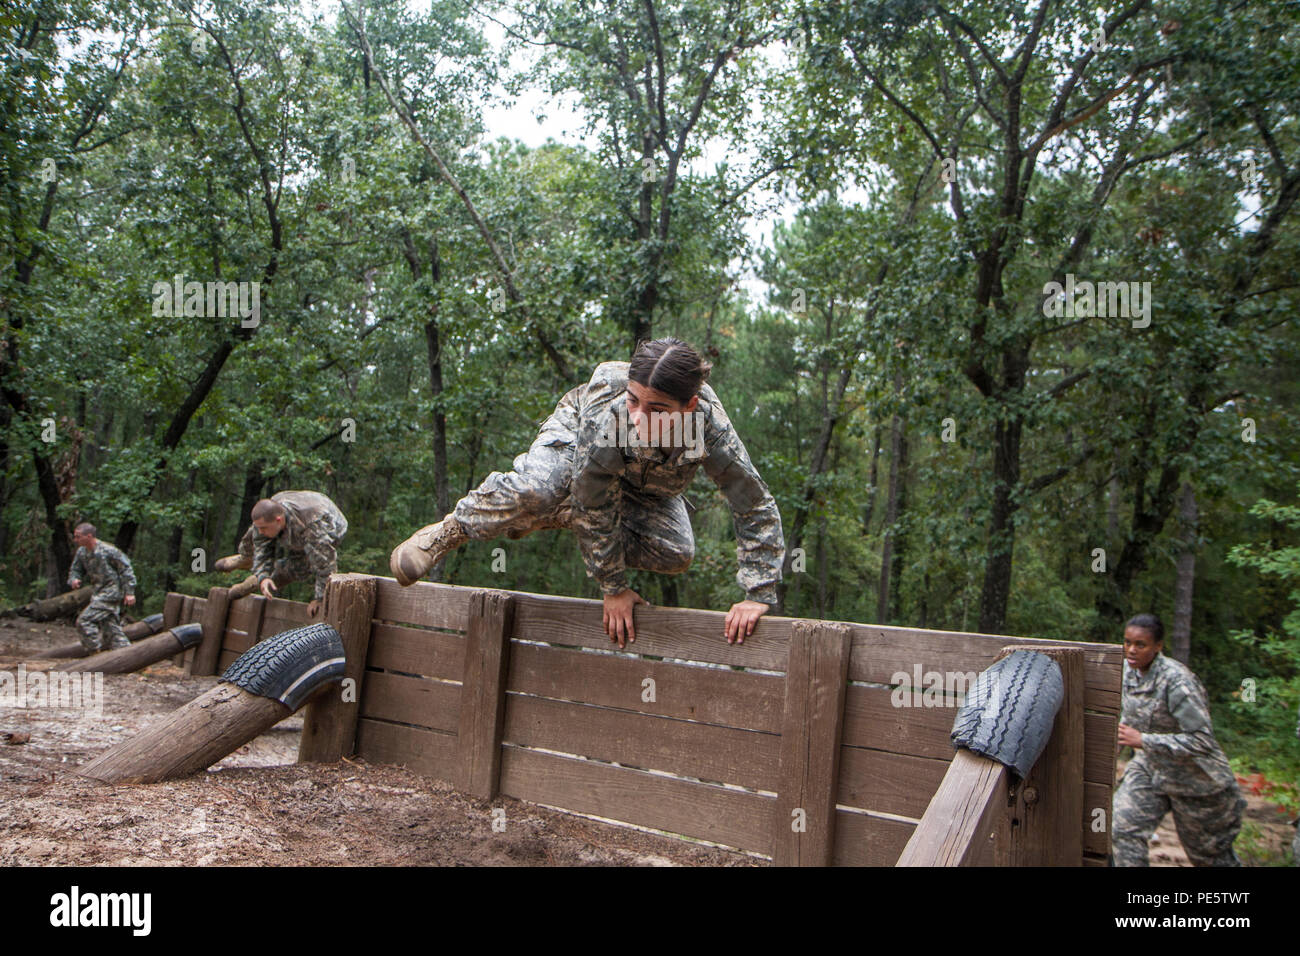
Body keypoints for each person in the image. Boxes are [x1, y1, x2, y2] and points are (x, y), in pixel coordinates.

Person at [389, 337, 785, 646]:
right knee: (539, 491)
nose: (639, 418)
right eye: (633, 401)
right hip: (577, 437)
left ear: (689, 406)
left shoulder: (709, 429)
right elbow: (592, 494)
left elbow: (752, 502)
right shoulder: (610, 413)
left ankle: (561, 514)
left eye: (657, 410)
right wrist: (613, 587)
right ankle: (452, 528)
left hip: (645, 487)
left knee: (676, 552)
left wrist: (758, 591)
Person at [1112, 612, 1246, 866]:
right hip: (1151, 770)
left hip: (1196, 780)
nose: (1131, 650)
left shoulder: (1177, 682)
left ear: (1158, 647)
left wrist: (1144, 740)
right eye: (1127, 642)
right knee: (1121, 830)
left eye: (1140, 645)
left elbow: (1202, 741)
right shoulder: (1127, 674)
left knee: (1208, 857)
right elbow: (1130, 719)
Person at [222, 491, 348, 619]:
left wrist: (320, 599)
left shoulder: (313, 528)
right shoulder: (270, 514)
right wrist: (264, 576)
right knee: (255, 533)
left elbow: (326, 566)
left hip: (329, 526)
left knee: (300, 568)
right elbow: (261, 544)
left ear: (279, 520)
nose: (261, 531)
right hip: (294, 513)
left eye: (264, 528)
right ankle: (246, 557)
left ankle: (253, 582)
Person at [67, 522, 137, 654]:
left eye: (78, 537)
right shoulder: (82, 552)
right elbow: (76, 569)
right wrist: (74, 579)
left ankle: (94, 653)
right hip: (98, 592)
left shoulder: (109, 550)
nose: (75, 540)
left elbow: (126, 570)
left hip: (111, 592)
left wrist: (129, 592)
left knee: (84, 621)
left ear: (89, 536)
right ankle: (130, 656)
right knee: (111, 629)